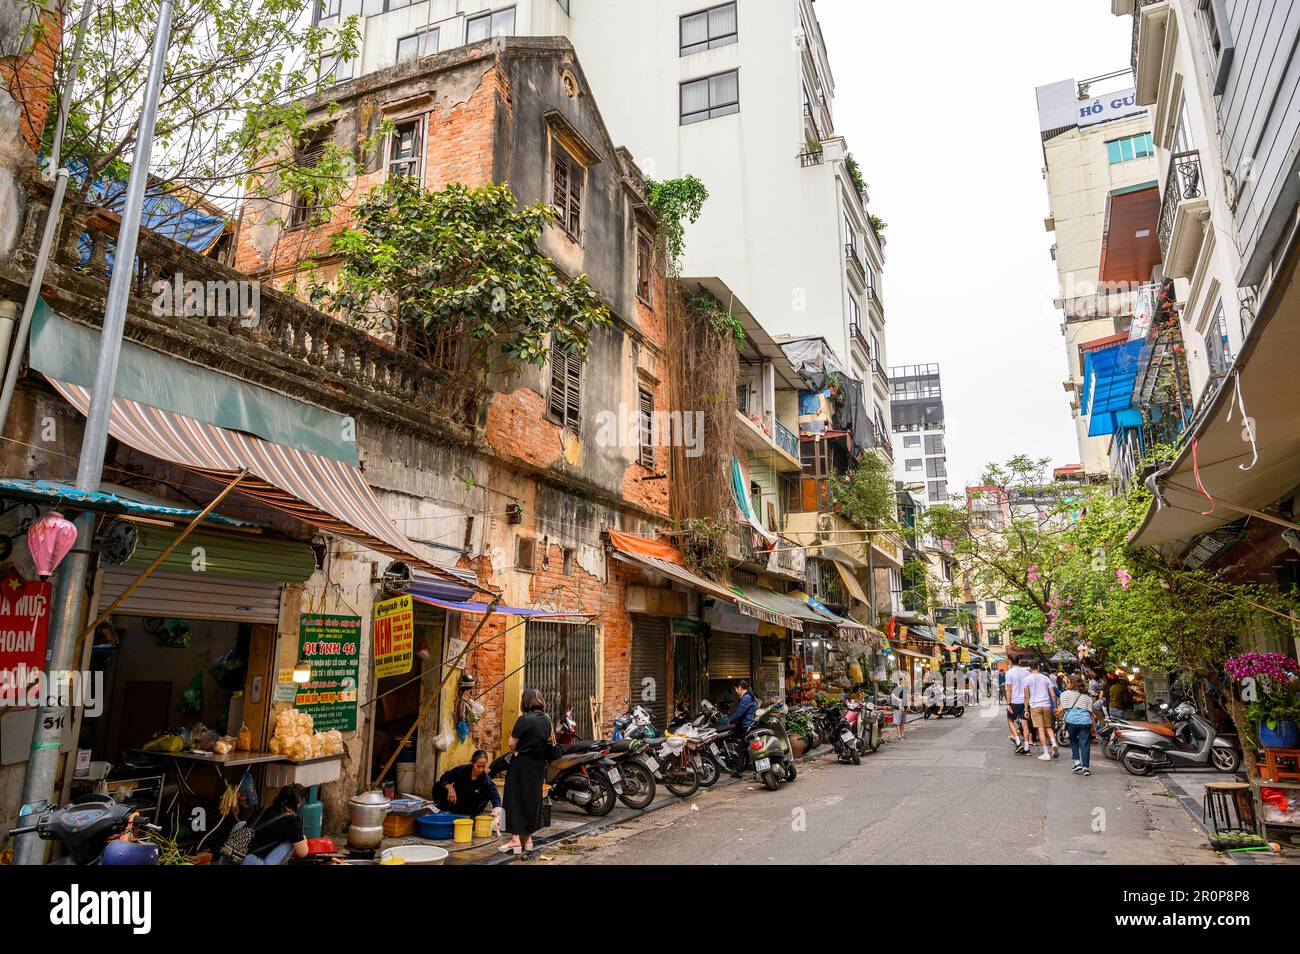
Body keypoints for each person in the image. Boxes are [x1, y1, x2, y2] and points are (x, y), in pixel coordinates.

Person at [501, 687, 553, 855]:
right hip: (538, 766)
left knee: (513, 800)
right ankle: (527, 839)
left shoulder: (523, 720)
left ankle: (515, 840)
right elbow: (550, 740)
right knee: (532, 800)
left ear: (525, 702)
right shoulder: (546, 719)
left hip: (521, 764)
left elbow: (511, 744)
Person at [221, 783, 310, 865]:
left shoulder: (264, 809)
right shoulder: (292, 820)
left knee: (242, 824)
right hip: (249, 861)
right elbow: (303, 852)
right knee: (292, 842)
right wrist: (303, 838)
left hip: (230, 855)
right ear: (298, 803)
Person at [433, 749, 503, 821]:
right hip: (457, 802)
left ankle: (472, 817)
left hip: (471, 807)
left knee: (487, 792)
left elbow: (495, 797)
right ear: (472, 763)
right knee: (438, 785)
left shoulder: (485, 779)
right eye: (478, 766)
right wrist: (450, 788)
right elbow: (445, 777)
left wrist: (497, 809)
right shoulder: (461, 770)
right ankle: (440, 810)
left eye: (484, 766)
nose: (481, 769)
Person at [1059, 674, 1098, 776]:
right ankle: (1086, 768)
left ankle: (1077, 762)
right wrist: (1093, 727)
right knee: (1085, 744)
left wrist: (1060, 718)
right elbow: (1090, 713)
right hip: (1085, 722)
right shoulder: (1087, 696)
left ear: (1071, 683)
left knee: (1073, 741)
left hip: (1071, 721)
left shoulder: (1064, 694)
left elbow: (1062, 709)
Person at [1024, 660, 1059, 761]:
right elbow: (1053, 695)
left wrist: (1026, 709)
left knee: (1040, 729)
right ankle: (1054, 743)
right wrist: (1055, 707)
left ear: (1029, 668)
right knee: (1048, 727)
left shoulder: (1027, 679)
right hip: (1047, 705)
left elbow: (1026, 696)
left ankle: (1046, 753)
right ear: (1038, 667)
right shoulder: (1045, 678)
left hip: (1035, 706)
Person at [1004, 656, 1033, 755]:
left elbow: (1009, 689)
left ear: (1010, 661)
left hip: (1014, 701)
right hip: (1025, 701)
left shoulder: (1009, 673)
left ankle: (1018, 742)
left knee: (1010, 721)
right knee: (1025, 724)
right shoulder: (1026, 672)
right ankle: (1026, 748)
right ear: (1020, 661)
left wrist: (1008, 703)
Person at [890, 677, 907, 741]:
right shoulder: (895, 686)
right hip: (897, 706)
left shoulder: (904, 686)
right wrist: (898, 699)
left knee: (903, 721)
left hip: (904, 706)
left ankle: (902, 734)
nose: (903, 682)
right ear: (899, 680)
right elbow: (892, 695)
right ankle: (899, 735)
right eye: (902, 681)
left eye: (904, 681)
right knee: (898, 721)